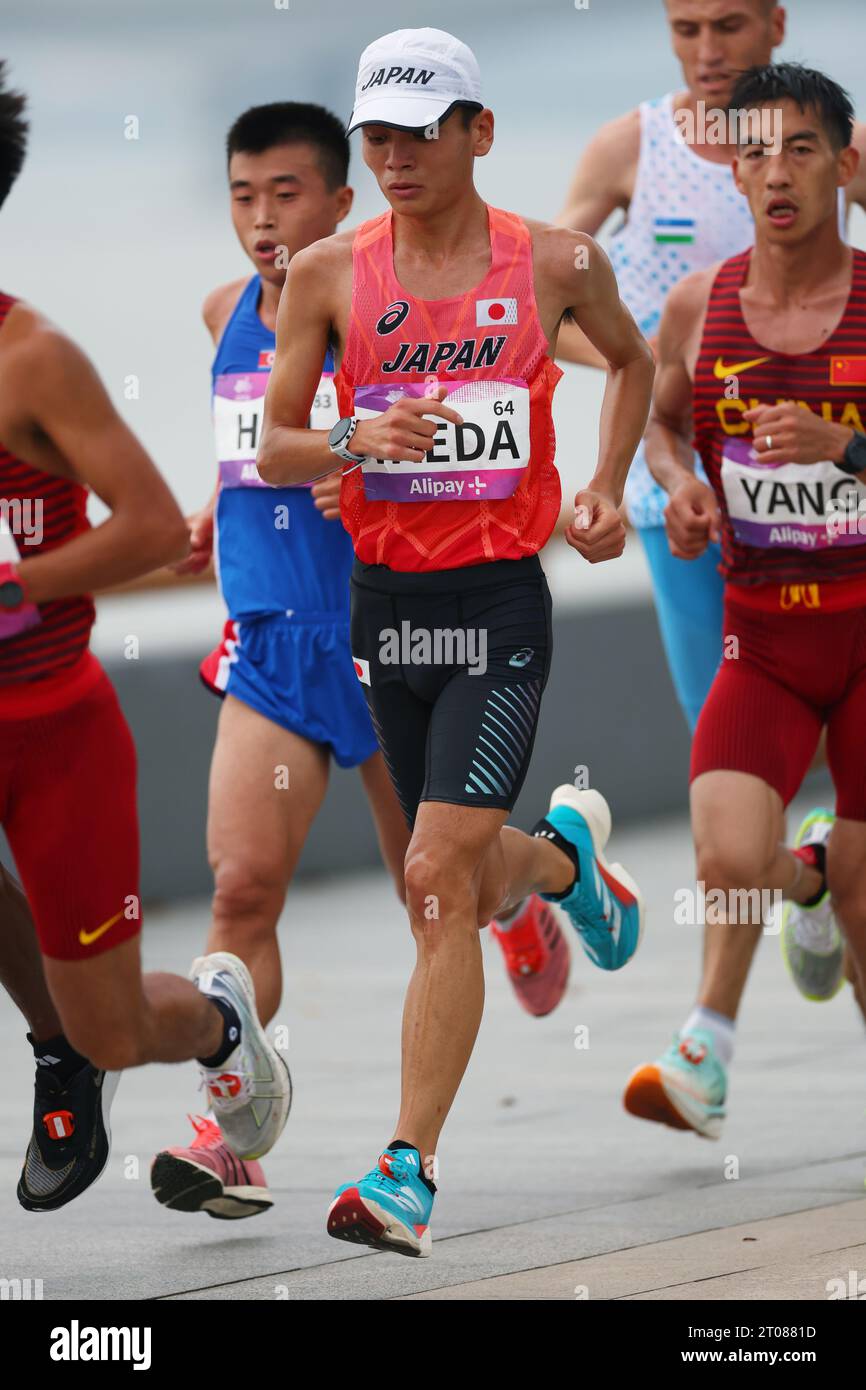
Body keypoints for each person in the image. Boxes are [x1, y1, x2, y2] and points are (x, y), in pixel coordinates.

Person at [257, 27, 654, 1256]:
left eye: (420, 131)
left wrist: (602, 489)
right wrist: (349, 445)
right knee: (460, 875)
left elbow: (632, 363)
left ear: (478, 131)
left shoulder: (557, 260)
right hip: (385, 607)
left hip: (497, 607)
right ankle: (561, 869)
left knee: (430, 880)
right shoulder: (326, 272)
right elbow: (276, 445)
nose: (392, 155)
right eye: (375, 133)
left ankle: (404, 1172)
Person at [0, 64, 290, 1209]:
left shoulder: (31, 359)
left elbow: (155, 528)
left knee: (115, 1023)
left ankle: (217, 1026)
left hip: (53, 729)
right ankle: (54, 1046)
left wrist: (17, 582)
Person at [556, 0, 866, 999]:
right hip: (682, 496)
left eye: (727, 26)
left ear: (775, 25)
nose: (705, 52)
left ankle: (808, 897)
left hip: (839, 512)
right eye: (684, 29)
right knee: (724, 769)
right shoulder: (629, 145)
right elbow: (537, 292)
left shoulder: (825, 137)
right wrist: (635, 371)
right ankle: (723, 1012)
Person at [149, 102, 414, 1221]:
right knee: (243, 888)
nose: (262, 220)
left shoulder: (385, 320)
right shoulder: (222, 314)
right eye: (242, 196)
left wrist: (367, 475)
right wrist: (221, 499)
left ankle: (553, 874)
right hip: (270, 644)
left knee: (435, 892)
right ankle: (231, 1132)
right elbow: (244, 438)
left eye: (287, 194)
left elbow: (458, 464)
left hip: (391, 629)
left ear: (342, 202)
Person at [625, 63, 866, 1140]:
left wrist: (846, 449)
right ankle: (797, 881)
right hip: (760, 640)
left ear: (843, 165)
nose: (775, 174)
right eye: (755, 151)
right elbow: (662, 422)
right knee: (725, 858)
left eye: (800, 150)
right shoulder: (698, 302)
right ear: (730, 163)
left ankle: (828, 888)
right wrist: (677, 486)